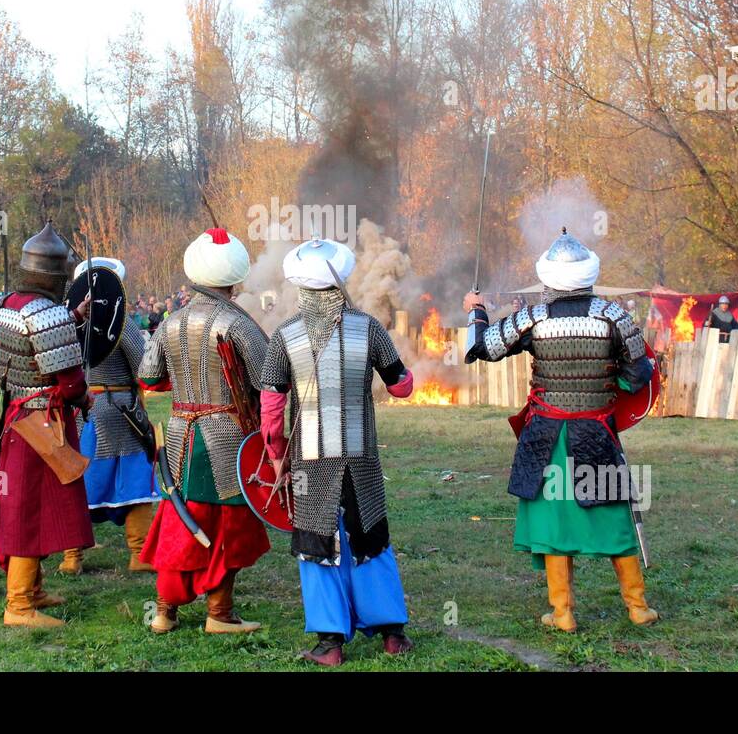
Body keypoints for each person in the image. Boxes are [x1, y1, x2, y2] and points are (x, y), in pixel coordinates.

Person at [462, 228, 658, 633]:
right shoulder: (614, 316)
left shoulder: (533, 319)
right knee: (611, 518)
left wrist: (475, 311)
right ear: (589, 274)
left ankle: (563, 613)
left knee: (554, 522)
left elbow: (482, 348)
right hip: (596, 435)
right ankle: (637, 607)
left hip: (546, 437)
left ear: (548, 277)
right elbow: (639, 376)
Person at [260, 237, 416, 666]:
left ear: (301, 286)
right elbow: (402, 385)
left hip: (310, 458)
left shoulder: (285, 335)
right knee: (371, 536)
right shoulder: (368, 327)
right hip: (360, 452)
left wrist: (276, 455)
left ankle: (330, 644)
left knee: (316, 541)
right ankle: (391, 635)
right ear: (339, 279)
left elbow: (272, 404)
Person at [137, 228, 271, 635]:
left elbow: (148, 375)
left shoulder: (170, 323)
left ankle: (164, 611)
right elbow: (268, 379)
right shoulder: (239, 324)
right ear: (234, 277)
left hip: (180, 435)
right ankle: (220, 612)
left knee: (181, 517)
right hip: (228, 434)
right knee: (230, 522)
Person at [0, 221, 94, 628]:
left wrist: (71, 316)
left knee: (35, 505)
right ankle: (18, 605)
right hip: (43, 425)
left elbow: (33, 344)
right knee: (27, 510)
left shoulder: (9, 304)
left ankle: (32, 589)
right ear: (56, 276)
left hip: (19, 417)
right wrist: (85, 399)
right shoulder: (48, 315)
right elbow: (68, 382)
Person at [59, 256, 160, 576]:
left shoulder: (65, 322)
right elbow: (145, 366)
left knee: (77, 480)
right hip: (118, 409)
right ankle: (138, 553)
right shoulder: (123, 323)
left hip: (80, 407)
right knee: (134, 480)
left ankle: (72, 556)